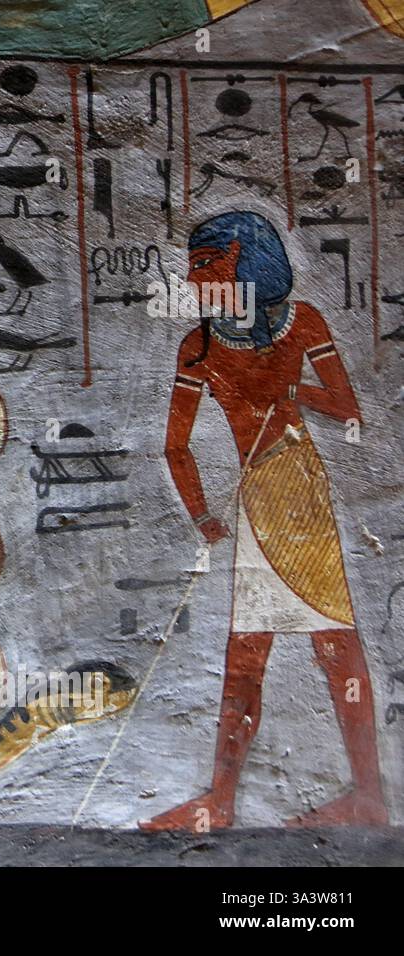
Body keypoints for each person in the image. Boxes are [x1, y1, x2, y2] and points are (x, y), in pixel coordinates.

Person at [142, 211, 387, 830]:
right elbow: (175, 446)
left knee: (330, 642)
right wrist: (200, 514)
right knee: (249, 651)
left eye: (207, 265)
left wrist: (295, 394)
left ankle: (366, 797)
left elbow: (345, 405)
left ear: (248, 263)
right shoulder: (199, 346)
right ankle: (223, 801)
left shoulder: (300, 323)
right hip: (259, 496)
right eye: (194, 267)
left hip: (298, 488)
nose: (195, 280)